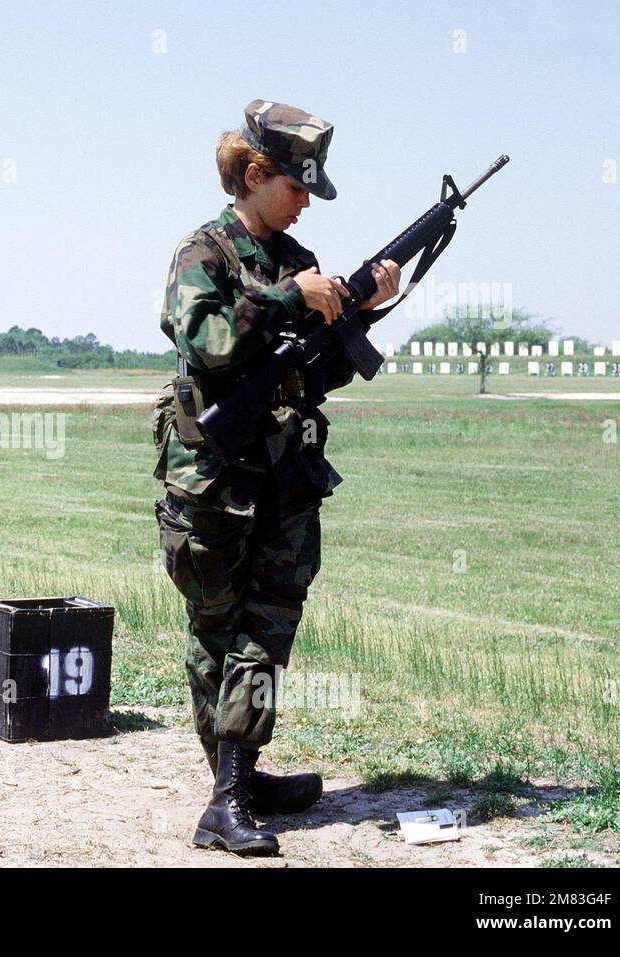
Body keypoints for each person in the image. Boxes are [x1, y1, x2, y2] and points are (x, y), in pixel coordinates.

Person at [152, 100, 401, 855]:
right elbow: (208, 336)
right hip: (215, 478)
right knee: (217, 632)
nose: (303, 204)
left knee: (268, 627)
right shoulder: (205, 253)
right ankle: (229, 788)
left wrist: (363, 306)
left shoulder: (297, 260)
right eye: (296, 188)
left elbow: (318, 372)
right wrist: (296, 298)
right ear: (254, 175)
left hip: (284, 476)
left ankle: (237, 782)